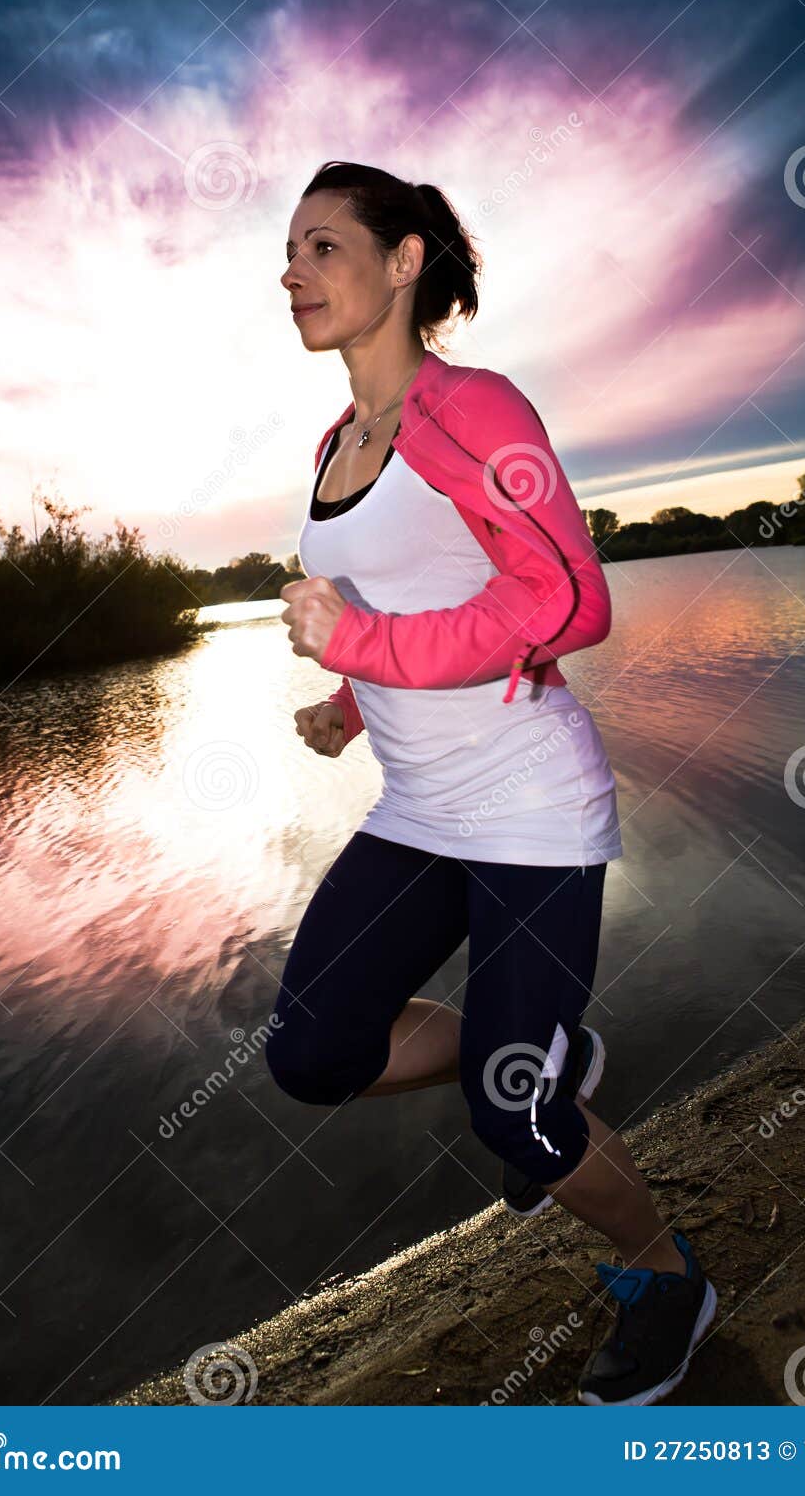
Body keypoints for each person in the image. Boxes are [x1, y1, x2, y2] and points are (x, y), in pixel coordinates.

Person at [267, 159, 716, 1406]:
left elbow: (570, 599)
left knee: (512, 1121)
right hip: (416, 812)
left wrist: (358, 648)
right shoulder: (331, 442)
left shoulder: (476, 407)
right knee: (312, 1051)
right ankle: (539, 1059)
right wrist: (352, 702)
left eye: (321, 247)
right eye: (288, 252)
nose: (290, 273)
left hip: (528, 814)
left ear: (403, 261)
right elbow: (416, 599)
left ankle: (661, 1269)